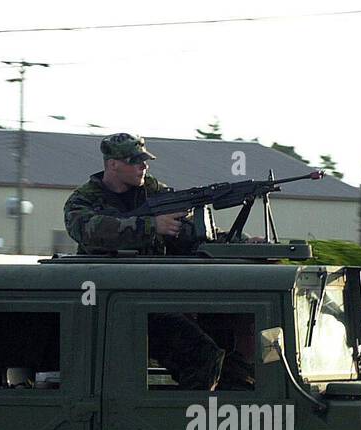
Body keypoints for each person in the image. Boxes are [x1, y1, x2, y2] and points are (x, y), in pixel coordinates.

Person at [63, 133, 254, 390]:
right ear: (112, 165)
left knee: (231, 357)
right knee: (201, 356)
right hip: (113, 302)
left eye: (145, 160)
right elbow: (90, 231)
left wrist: (239, 241)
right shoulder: (83, 200)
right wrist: (152, 227)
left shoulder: (154, 192)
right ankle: (187, 417)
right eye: (135, 161)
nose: (144, 166)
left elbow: (191, 233)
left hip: (157, 294)